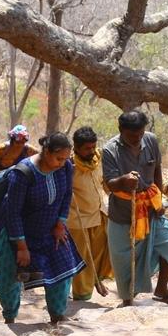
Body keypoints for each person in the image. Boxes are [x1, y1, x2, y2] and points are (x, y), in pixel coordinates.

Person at [0, 133, 84, 325]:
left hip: (49, 228)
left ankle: (57, 316)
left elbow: (66, 195)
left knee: (62, 270)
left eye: (65, 159)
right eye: (58, 158)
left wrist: (60, 223)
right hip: (18, 232)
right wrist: (21, 247)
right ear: (46, 152)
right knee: (11, 278)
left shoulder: (65, 167)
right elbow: (13, 212)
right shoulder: (23, 173)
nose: (61, 163)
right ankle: (10, 318)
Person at [102, 110, 168, 306]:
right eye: (132, 135)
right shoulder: (109, 150)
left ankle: (162, 289)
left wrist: (160, 199)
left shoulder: (151, 141)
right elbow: (109, 184)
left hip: (151, 209)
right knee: (123, 261)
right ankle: (127, 299)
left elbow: (157, 171)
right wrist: (123, 180)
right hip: (123, 214)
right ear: (121, 130)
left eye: (140, 134)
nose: (137, 139)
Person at [69, 126, 113, 301]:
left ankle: (96, 279)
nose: (91, 151)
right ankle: (82, 294)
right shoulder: (68, 165)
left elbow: (105, 184)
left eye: (93, 147)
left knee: (102, 251)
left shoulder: (99, 159)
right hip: (77, 219)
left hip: (99, 213)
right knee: (82, 257)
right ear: (77, 147)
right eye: (87, 148)